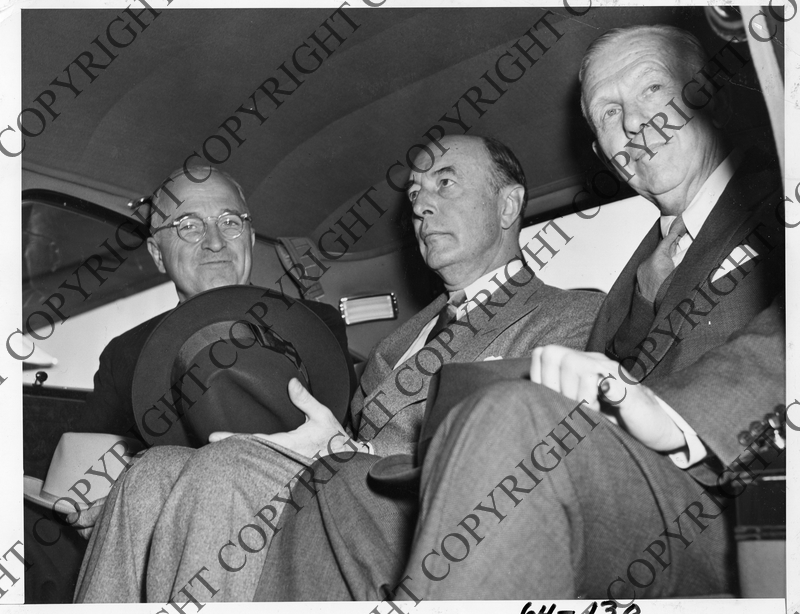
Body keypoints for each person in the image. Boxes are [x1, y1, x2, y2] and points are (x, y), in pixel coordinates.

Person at [254, 25, 785, 601]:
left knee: (511, 416)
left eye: (653, 89)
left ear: (716, 92)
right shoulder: (631, 285)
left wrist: (673, 414)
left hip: (739, 506)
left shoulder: (780, 201)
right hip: (611, 487)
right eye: (607, 113)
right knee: (337, 488)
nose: (632, 123)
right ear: (599, 150)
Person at [73, 135, 605, 602]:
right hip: (337, 496)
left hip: (425, 520)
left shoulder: (570, 316)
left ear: (509, 203)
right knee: (152, 472)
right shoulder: (400, 340)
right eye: (416, 193)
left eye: (446, 184)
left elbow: (537, 468)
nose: (421, 206)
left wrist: (351, 453)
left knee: (225, 469)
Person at [24, 165, 352, 603]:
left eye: (231, 223)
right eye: (188, 225)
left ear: (250, 240)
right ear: (158, 254)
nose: (215, 241)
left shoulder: (316, 328)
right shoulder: (127, 353)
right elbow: (85, 474)